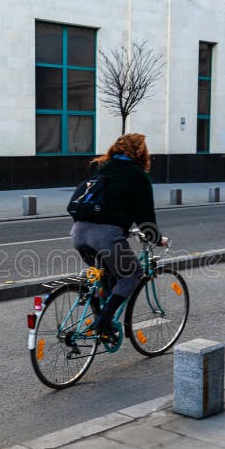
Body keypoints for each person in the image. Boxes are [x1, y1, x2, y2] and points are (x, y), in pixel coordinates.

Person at [70, 133, 165, 343]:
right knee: (133, 273)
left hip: (78, 233)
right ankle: (104, 320)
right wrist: (157, 239)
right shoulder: (138, 176)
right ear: (141, 153)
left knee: (105, 276)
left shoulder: (103, 169)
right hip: (105, 237)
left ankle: (99, 318)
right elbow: (145, 218)